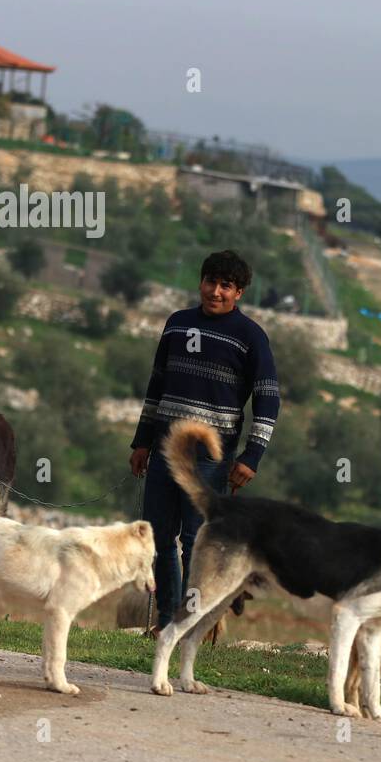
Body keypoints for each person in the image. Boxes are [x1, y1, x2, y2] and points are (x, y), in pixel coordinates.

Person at [128, 250, 279, 634]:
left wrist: (252, 456)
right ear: (200, 282)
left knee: (198, 543)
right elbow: (156, 386)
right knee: (159, 538)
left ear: (239, 292)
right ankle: (165, 624)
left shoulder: (251, 337)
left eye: (225, 286)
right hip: (165, 449)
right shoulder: (177, 324)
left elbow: (268, 398)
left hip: (212, 459)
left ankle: (192, 624)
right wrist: (141, 441)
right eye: (210, 282)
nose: (215, 292)